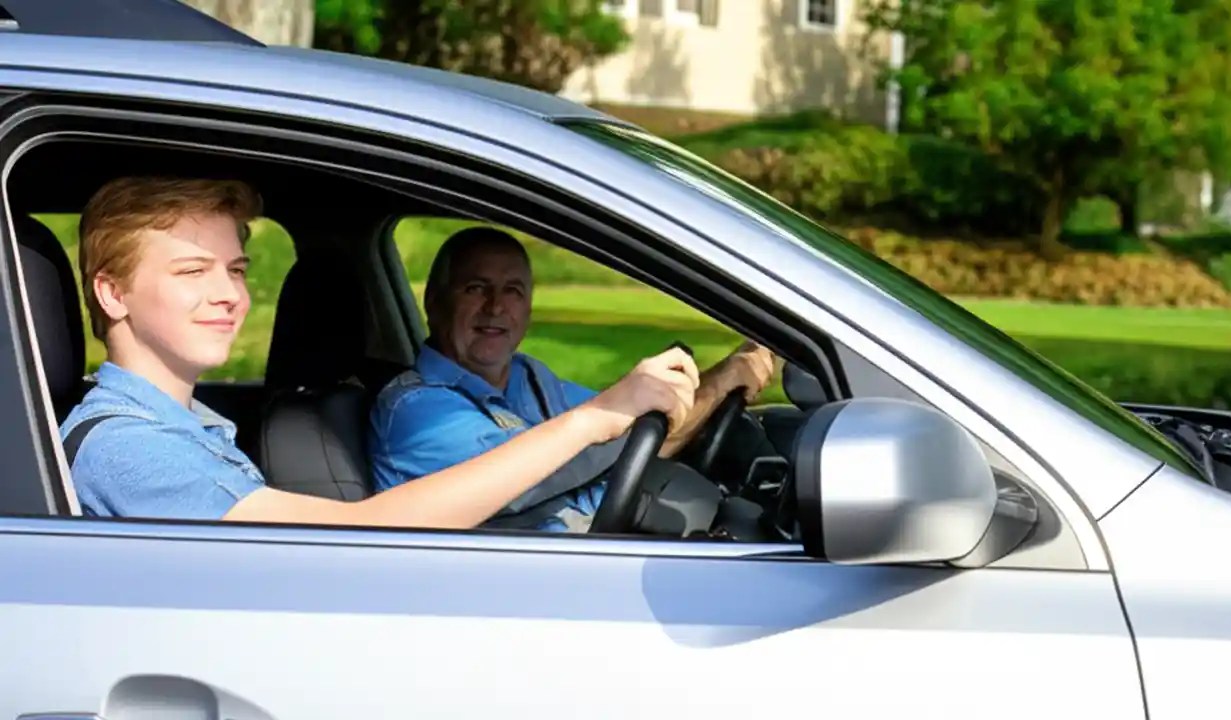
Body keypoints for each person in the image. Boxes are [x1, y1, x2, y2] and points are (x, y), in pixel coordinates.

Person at [59, 177, 699, 528]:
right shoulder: (129, 450)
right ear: (113, 294)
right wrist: (589, 421)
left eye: (236, 269)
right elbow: (356, 534)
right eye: (192, 272)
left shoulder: (188, 428)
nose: (228, 294)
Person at [368, 227, 775, 532]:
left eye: (513, 291)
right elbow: (535, 473)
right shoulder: (417, 409)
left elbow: (626, 433)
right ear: (435, 302)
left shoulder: (527, 377)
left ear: (527, 308)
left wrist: (713, 390)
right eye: (476, 288)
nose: (496, 307)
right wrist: (717, 383)